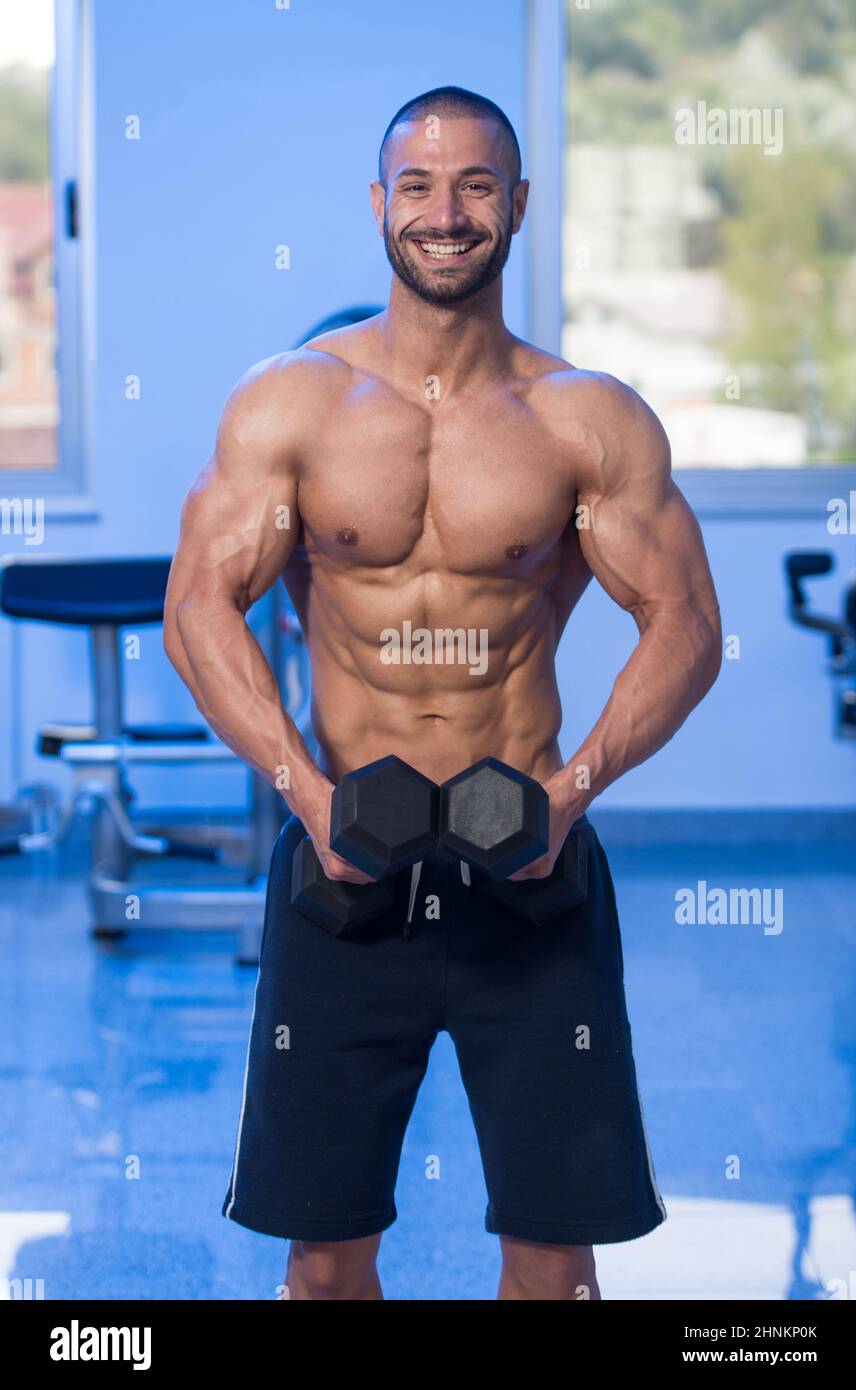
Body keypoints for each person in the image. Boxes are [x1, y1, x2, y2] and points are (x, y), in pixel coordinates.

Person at [164, 86, 721, 1300]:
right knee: (322, 1263)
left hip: (529, 867)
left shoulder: (586, 418)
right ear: (379, 207)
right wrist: (305, 795)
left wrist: (570, 797)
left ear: (517, 205)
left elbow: (687, 624)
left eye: (476, 185)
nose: (446, 212)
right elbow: (198, 604)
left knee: (554, 1263)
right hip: (345, 864)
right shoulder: (293, 404)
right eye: (417, 186)